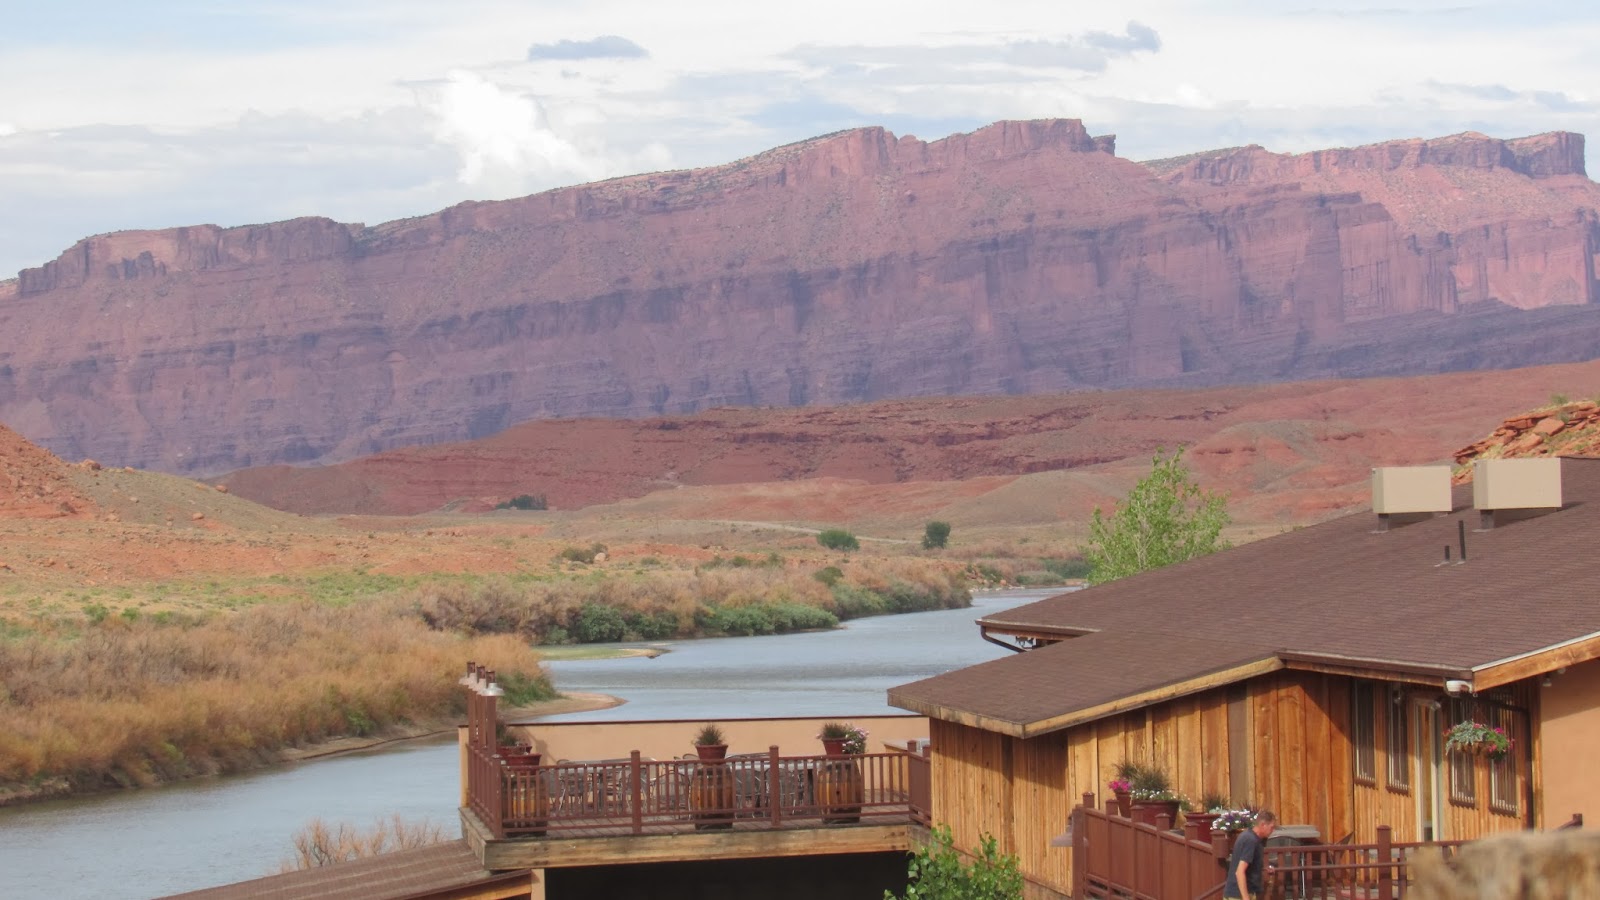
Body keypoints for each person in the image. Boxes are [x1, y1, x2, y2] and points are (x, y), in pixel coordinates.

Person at [1223, 810, 1278, 900]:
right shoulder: (1250, 840)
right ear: (1263, 825)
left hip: (1247, 891)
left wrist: (1263, 867)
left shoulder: (1255, 839)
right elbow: (1239, 872)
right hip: (1238, 895)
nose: (1273, 830)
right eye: (1271, 827)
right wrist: (1245, 898)